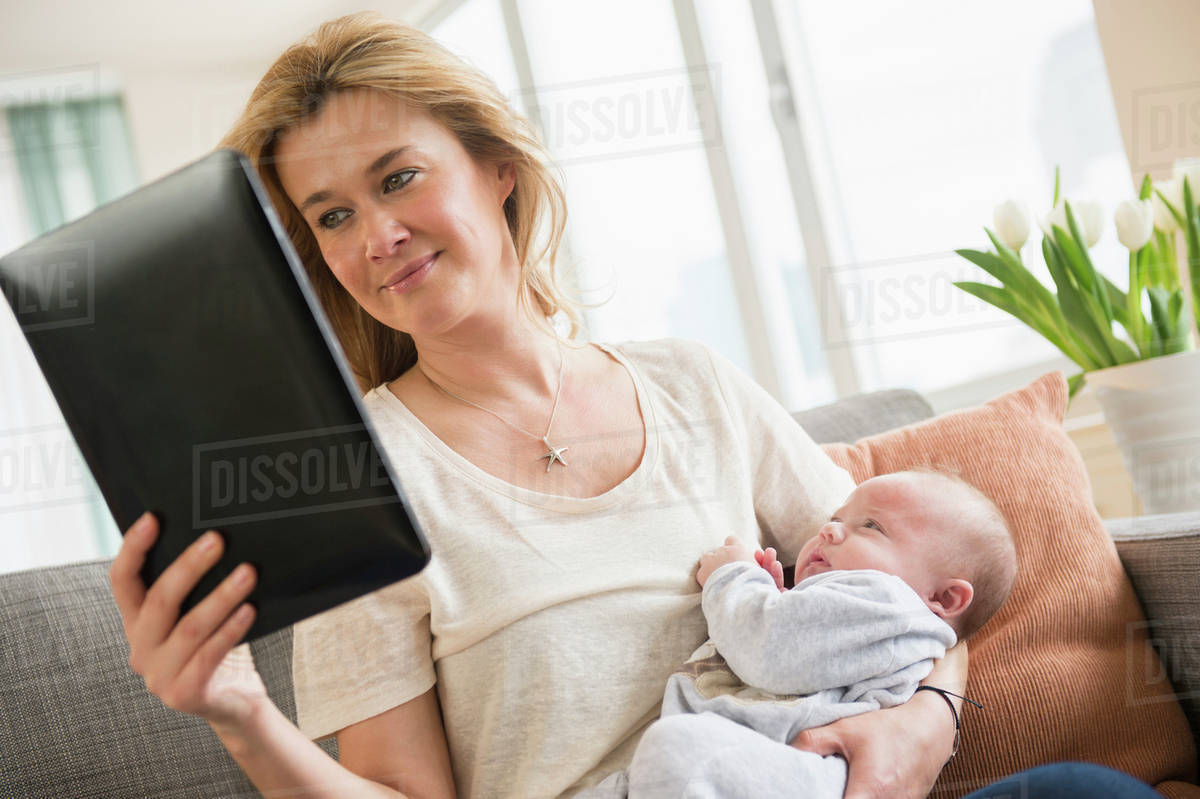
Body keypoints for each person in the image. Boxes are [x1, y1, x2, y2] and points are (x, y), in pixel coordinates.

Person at [104, 12, 1166, 799]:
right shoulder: (357, 476)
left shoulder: (693, 385)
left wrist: (926, 722)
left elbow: (915, 597)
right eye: (332, 214)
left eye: (397, 178)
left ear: (497, 169)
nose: (375, 235)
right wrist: (239, 715)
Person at [580, 469, 1015, 798]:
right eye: (835, 516)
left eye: (871, 527)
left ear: (943, 598)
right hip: (767, 770)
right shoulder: (872, 617)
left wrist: (734, 578)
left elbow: (767, 648)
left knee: (674, 749)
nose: (829, 529)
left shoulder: (887, 602)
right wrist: (779, 598)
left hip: (808, 773)